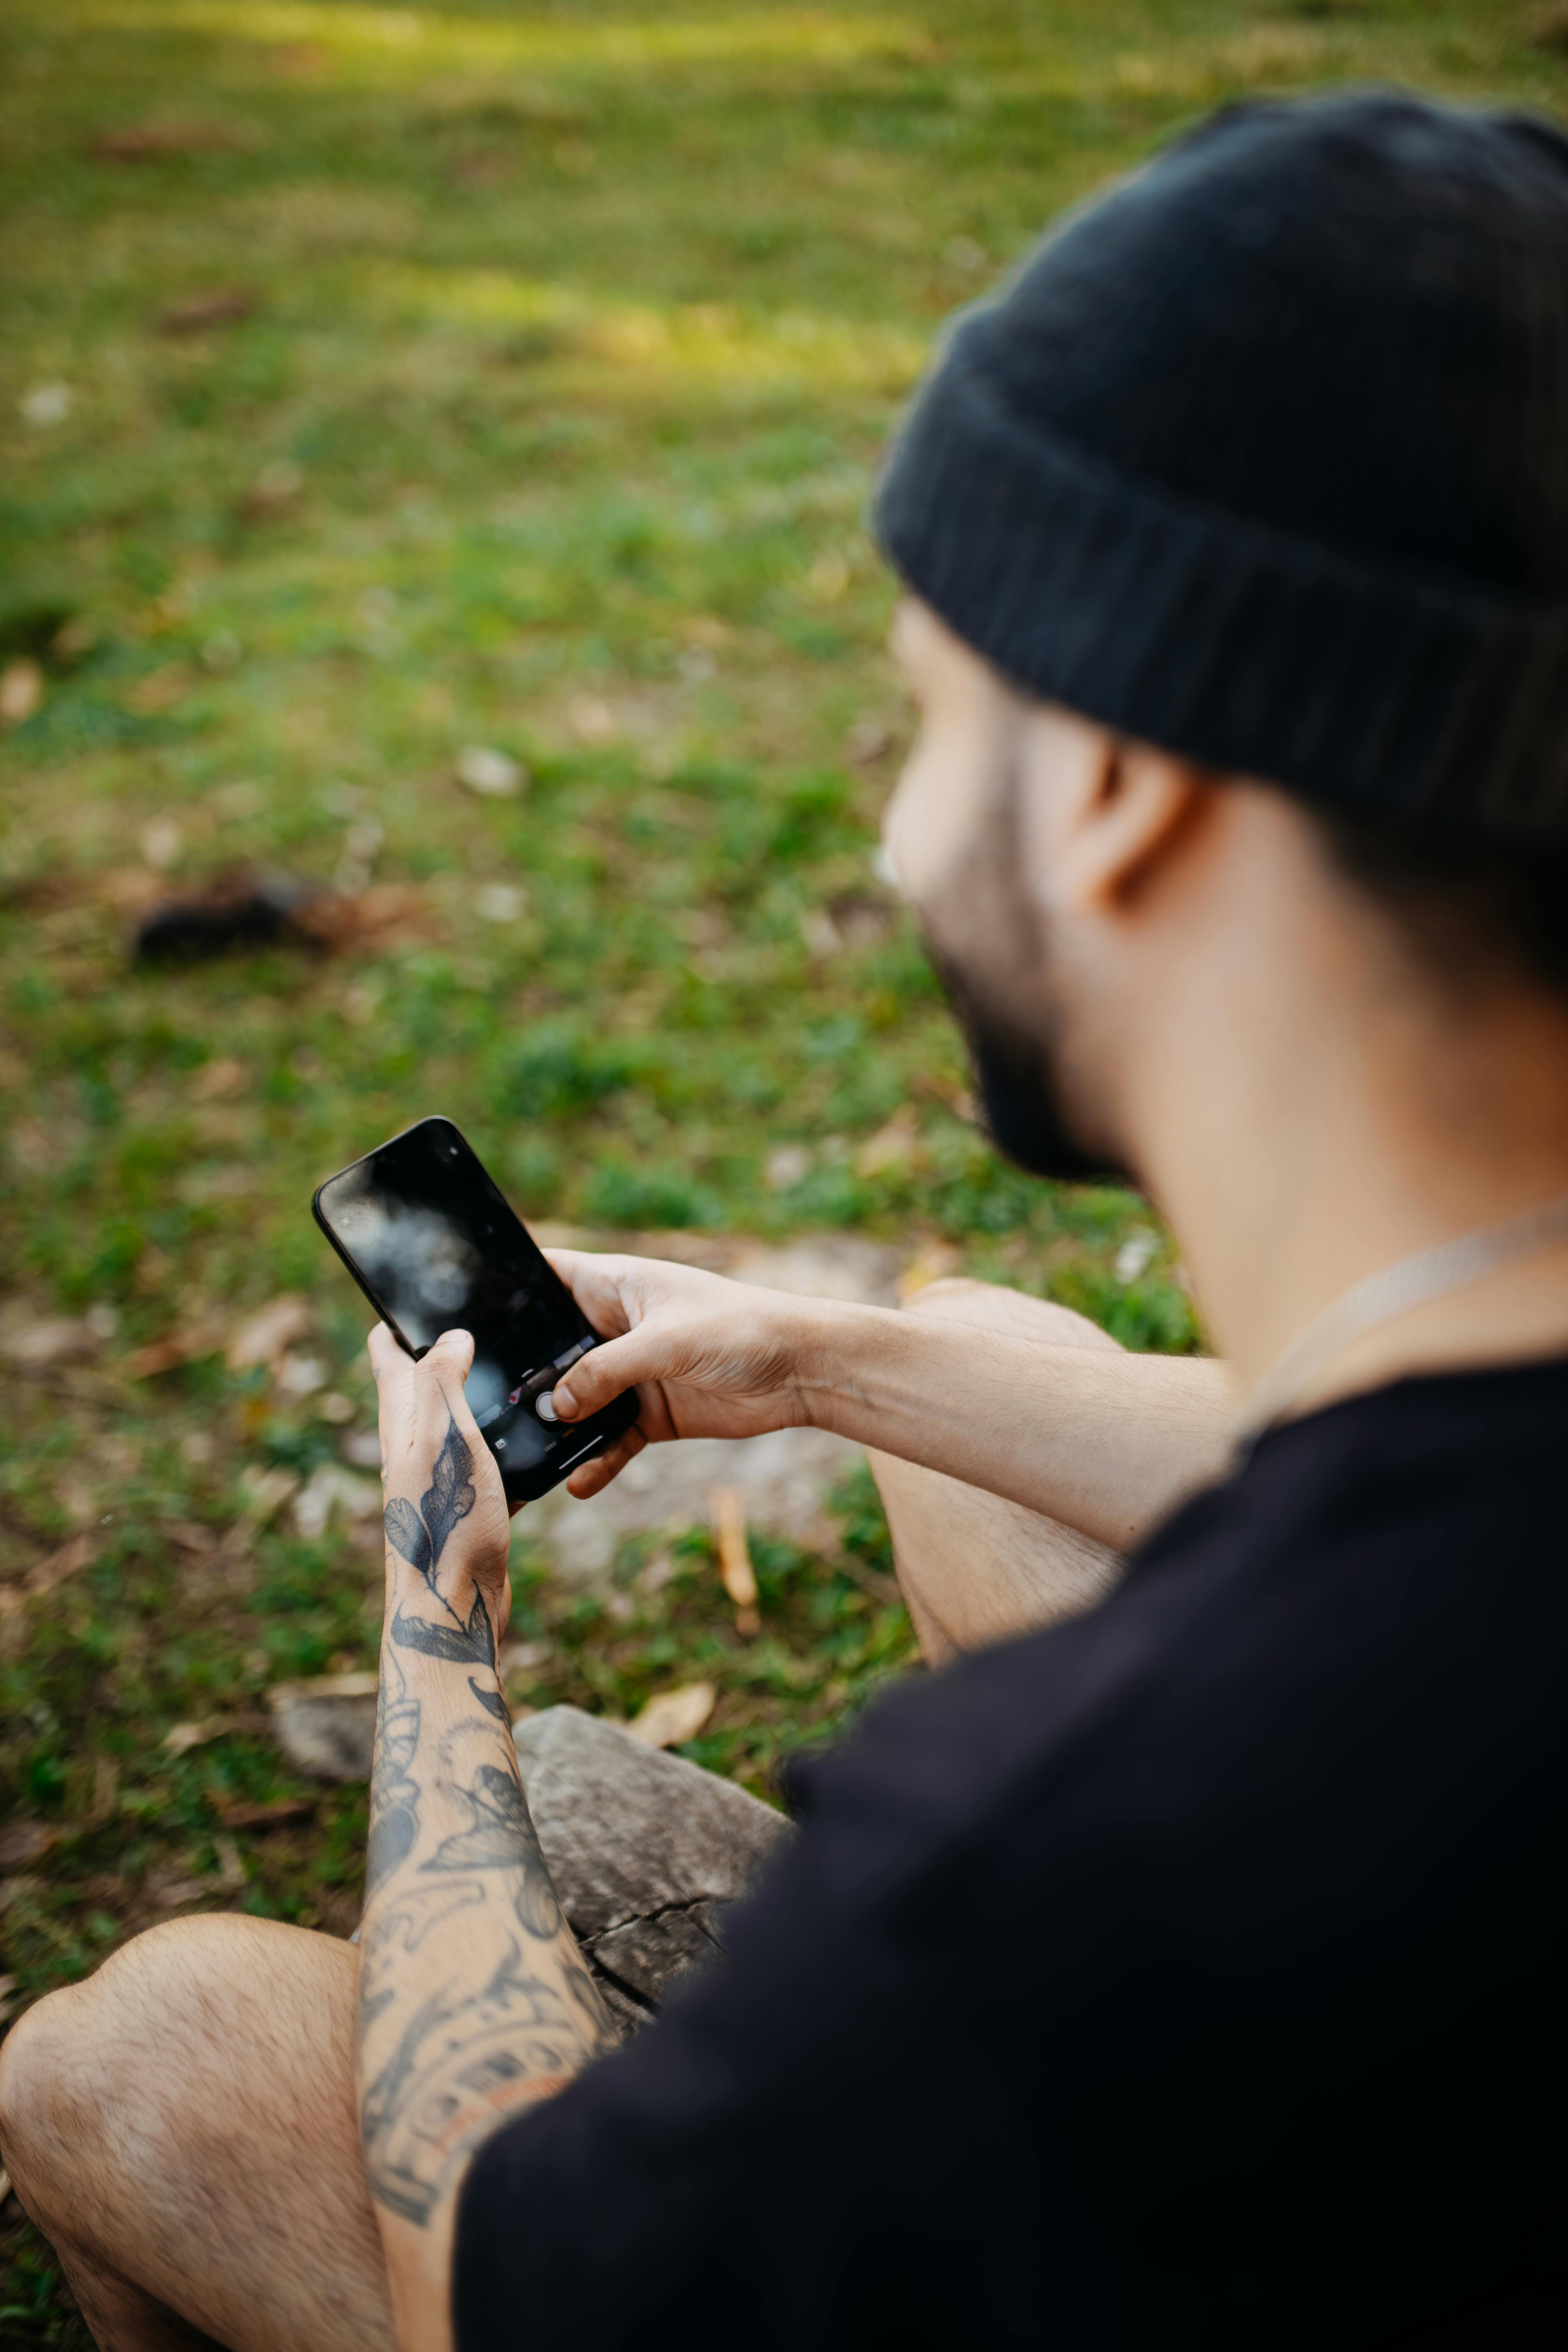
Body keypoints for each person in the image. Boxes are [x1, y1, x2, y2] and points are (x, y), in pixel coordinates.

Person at [3, 85, 1567, 2352]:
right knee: (994, 1374)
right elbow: (1365, 1476)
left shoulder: (1027, 1860)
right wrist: (821, 1361)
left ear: (1122, 786)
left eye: (932, 720)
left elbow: (488, 2271)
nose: (906, 840)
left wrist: (436, 1629)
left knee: (126, 2053)